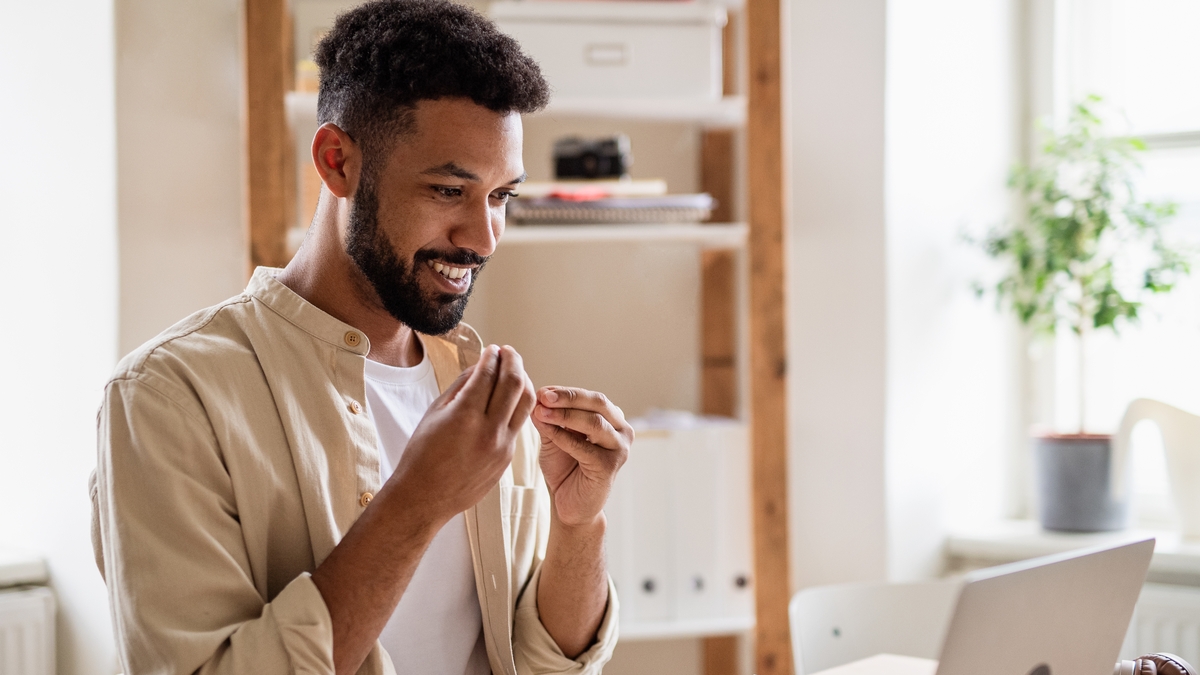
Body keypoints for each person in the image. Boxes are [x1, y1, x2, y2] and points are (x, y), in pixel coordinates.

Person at [89, 1, 631, 673]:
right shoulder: (169, 398)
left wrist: (578, 526)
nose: (484, 238)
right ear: (337, 161)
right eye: (448, 190)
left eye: (500, 197)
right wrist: (419, 499)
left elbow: (544, 662)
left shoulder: (479, 391)